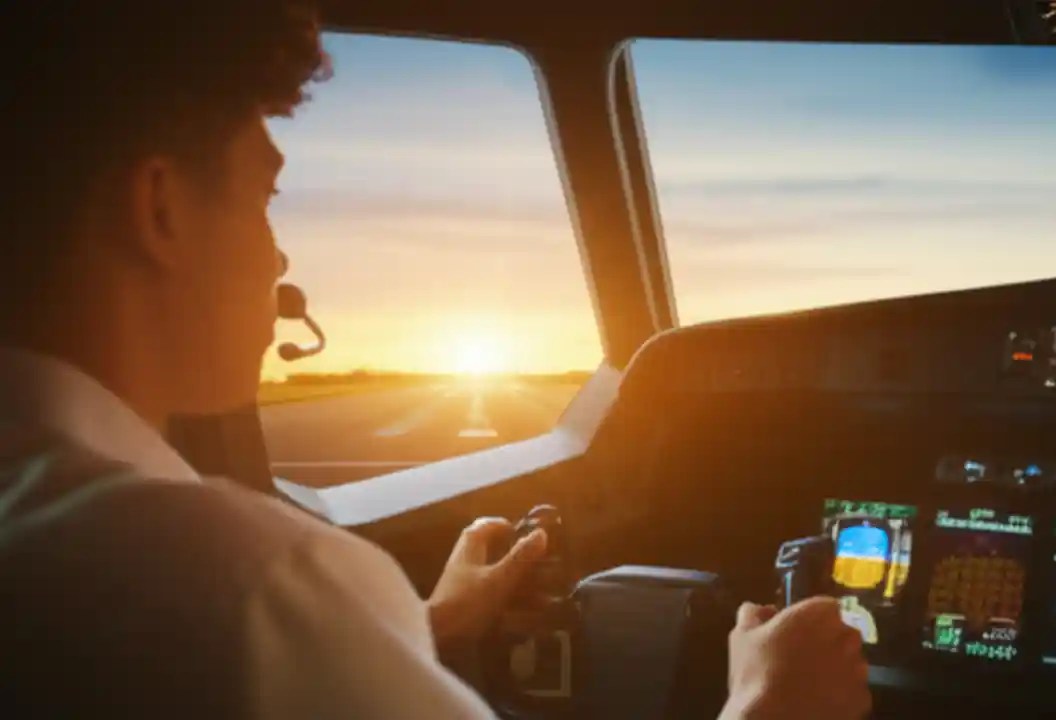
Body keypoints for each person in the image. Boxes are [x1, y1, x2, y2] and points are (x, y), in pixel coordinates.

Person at [0, 2, 872, 718]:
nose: (278, 262)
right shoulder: (250, 587)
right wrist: (772, 703)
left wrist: (427, 626)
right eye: (267, 197)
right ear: (161, 210)